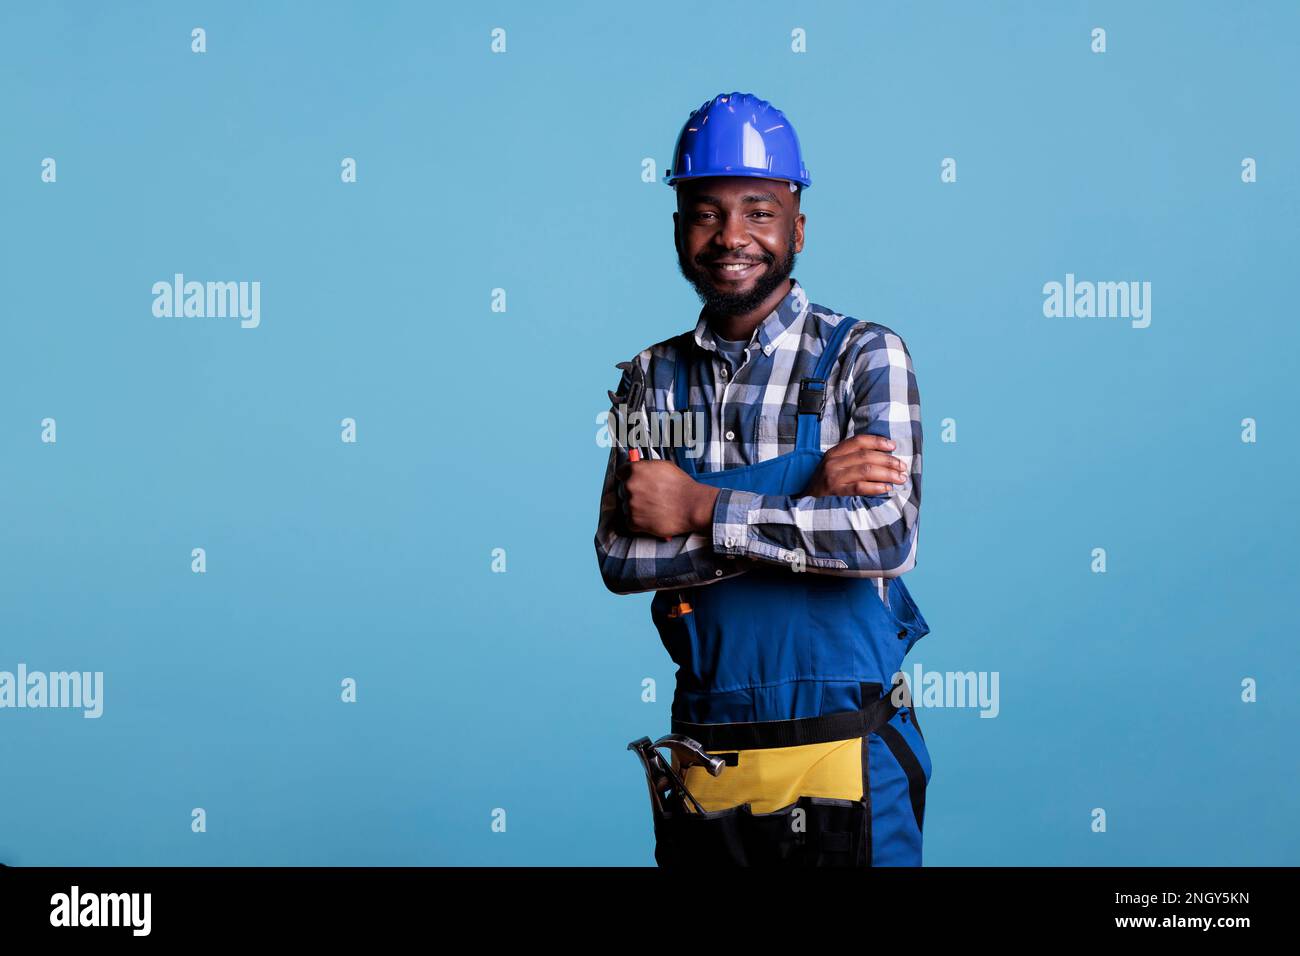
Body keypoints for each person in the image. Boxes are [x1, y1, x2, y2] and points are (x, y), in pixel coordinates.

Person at [595, 92, 933, 867]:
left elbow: (886, 536)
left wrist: (699, 505)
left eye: (758, 211)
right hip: (709, 754)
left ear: (798, 228)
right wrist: (806, 496)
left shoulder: (865, 357)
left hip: (847, 749)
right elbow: (620, 559)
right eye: (706, 213)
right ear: (680, 227)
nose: (731, 237)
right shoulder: (650, 381)